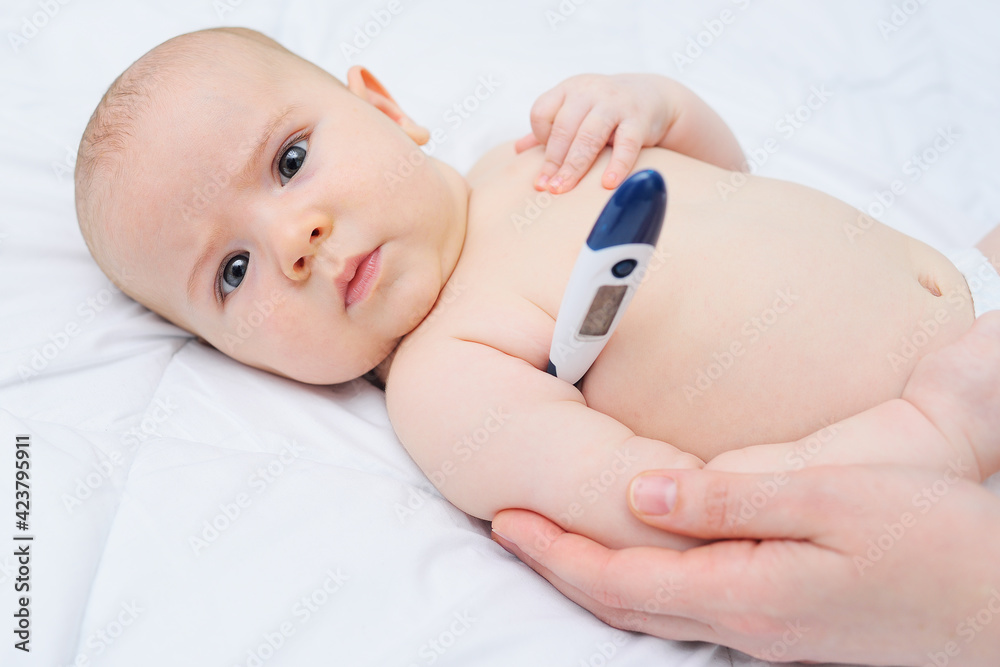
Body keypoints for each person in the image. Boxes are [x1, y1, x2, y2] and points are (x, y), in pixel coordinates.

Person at [73, 27, 1000, 559]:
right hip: (927, 448)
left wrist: (660, 110)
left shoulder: (528, 156)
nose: (294, 239)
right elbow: (653, 501)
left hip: (967, 275)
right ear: (233, 354)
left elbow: (731, 185)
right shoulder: (445, 381)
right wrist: (923, 443)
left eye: (289, 160)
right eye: (231, 273)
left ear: (386, 106)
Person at [492, 311, 1000, 666]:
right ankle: (944, 429)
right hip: (921, 438)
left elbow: (727, 182)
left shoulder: (530, 161)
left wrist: (679, 150)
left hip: (974, 299)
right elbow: (597, 484)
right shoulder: (448, 344)